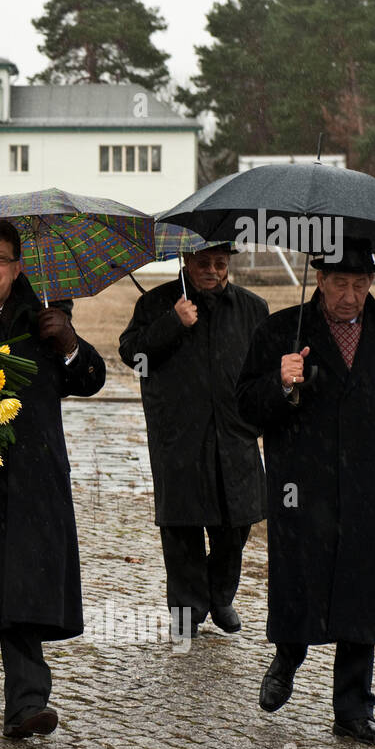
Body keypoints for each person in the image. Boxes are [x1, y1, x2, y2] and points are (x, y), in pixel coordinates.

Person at [235, 237, 375, 746]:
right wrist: (282, 385)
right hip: (301, 487)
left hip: (372, 486)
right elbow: (244, 406)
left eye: (360, 283)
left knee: (364, 591)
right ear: (320, 279)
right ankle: (288, 655)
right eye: (339, 283)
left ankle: (353, 708)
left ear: (372, 282)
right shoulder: (281, 331)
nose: (350, 295)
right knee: (300, 579)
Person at [0, 219, 105, 738]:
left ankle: (27, 703)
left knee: (24, 586)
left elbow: (91, 379)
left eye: (1, 258)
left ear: (17, 267)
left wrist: (70, 344)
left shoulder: (46, 318)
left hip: (32, 478)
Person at [117, 242, 269, 636]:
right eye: (204, 263)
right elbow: (133, 355)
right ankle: (188, 607)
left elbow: (265, 367)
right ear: (186, 261)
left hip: (234, 433)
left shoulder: (253, 308)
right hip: (178, 435)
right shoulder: (155, 304)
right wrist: (172, 322)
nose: (213, 271)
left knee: (236, 521)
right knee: (182, 525)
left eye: (221, 263)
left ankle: (220, 596)